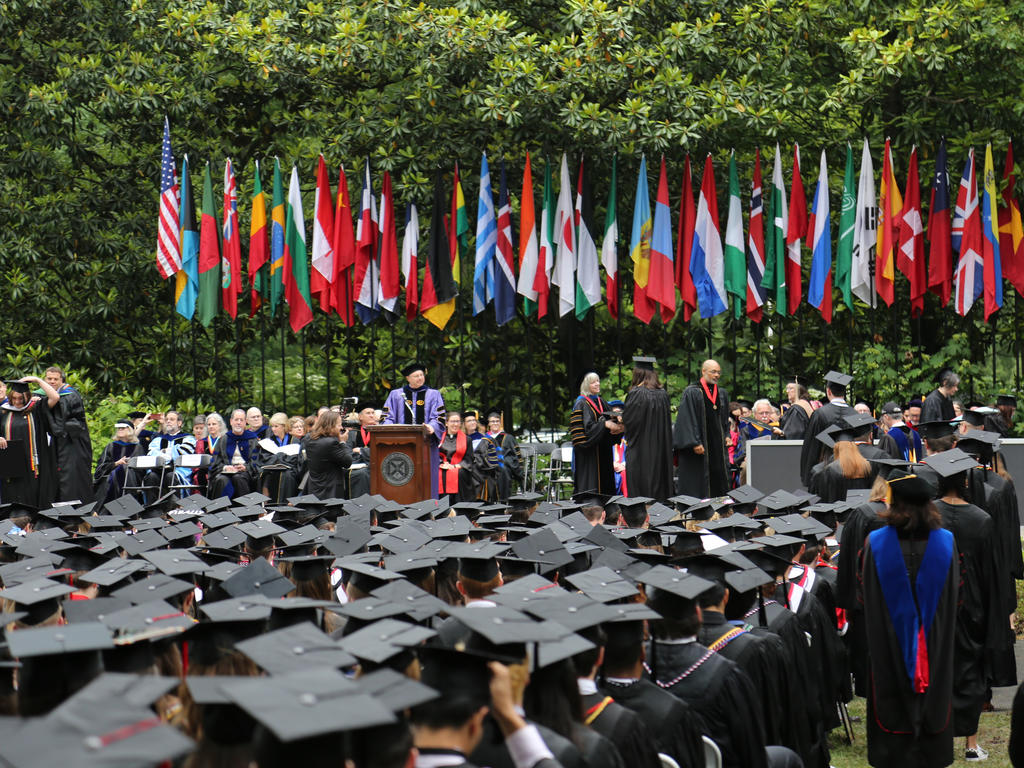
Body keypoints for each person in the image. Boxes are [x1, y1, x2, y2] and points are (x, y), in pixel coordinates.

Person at [859, 469, 958, 768]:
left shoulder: (875, 544)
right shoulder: (947, 543)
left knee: (891, 703)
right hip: (935, 647)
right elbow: (957, 598)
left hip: (887, 648)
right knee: (935, 699)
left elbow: (864, 599)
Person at [923, 448, 1003, 762]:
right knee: (971, 672)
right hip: (973, 602)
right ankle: (971, 744)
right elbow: (990, 570)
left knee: (936, 668)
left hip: (937, 599)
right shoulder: (982, 519)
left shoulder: (929, 516)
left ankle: (934, 738)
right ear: (966, 481)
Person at [383, 362, 446, 498]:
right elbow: (387, 416)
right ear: (408, 378)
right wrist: (390, 427)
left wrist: (432, 427)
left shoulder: (434, 395)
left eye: (421, 375)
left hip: (426, 444)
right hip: (400, 445)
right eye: (416, 375)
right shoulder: (396, 395)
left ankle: (430, 507)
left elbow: (439, 417)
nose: (420, 378)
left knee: (427, 478)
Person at [673, 359, 730, 498]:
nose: (716, 375)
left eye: (718, 372)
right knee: (698, 481)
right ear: (703, 371)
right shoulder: (692, 392)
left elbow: (724, 419)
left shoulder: (721, 393)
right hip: (699, 448)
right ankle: (699, 512)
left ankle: (720, 507)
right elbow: (686, 419)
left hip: (717, 447)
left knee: (718, 476)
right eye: (713, 372)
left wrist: (727, 435)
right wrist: (694, 442)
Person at [0, 377, 60, 508]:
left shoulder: (36, 408)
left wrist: (38, 380)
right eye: (14, 398)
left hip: (34, 464)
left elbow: (55, 397)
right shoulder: (4, 411)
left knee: (33, 497)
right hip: (12, 464)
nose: (17, 402)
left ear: (27, 397)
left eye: (20, 399)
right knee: (13, 498)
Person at [622, 357, 673, 500]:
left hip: (641, 451)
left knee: (641, 491)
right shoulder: (663, 394)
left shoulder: (636, 393)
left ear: (637, 374)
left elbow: (630, 422)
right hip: (660, 451)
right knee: (658, 487)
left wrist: (621, 419)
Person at [568, 372, 623, 497]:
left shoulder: (601, 401)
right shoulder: (581, 403)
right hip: (589, 454)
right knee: (591, 490)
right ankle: (591, 511)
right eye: (593, 382)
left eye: (598, 380)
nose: (597, 384)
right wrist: (604, 425)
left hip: (603, 451)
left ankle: (608, 512)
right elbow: (587, 429)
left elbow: (609, 420)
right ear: (586, 385)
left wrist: (619, 425)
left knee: (606, 489)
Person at [43, 366, 93, 503]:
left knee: (71, 477)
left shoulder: (70, 394)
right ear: (45, 379)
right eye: (49, 379)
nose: (52, 381)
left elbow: (60, 418)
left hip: (72, 441)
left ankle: (74, 516)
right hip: (58, 442)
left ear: (62, 380)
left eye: (55, 379)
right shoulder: (44, 393)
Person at [799, 370, 854, 487]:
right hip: (851, 470)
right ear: (844, 392)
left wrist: (808, 478)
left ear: (828, 391)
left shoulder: (820, 414)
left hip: (825, 472)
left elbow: (812, 447)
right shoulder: (854, 414)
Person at [251, 412, 303, 502]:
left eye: (276, 426)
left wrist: (278, 457)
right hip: (271, 470)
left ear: (283, 426)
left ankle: (285, 505)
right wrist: (280, 457)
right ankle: (266, 506)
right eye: (272, 426)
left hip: (289, 471)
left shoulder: (294, 441)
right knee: (265, 476)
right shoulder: (269, 441)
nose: (273, 429)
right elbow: (264, 459)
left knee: (286, 475)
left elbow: (295, 461)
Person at [207, 409, 257, 499]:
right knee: (221, 479)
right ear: (231, 421)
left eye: (241, 420)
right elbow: (215, 462)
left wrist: (246, 467)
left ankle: (246, 509)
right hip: (227, 471)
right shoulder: (223, 439)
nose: (238, 422)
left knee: (238, 478)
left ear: (245, 422)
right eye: (236, 420)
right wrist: (225, 467)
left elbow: (257, 460)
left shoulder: (252, 439)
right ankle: (220, 509)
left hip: (245, 472)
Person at [304, 410, 353, 499]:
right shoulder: (331, 443)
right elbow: (347, 462)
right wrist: (343, 442)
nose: (341, 428)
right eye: (339, 425)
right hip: (330, 490)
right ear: (331, 426)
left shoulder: (309, 439)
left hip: (314, 487)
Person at [474, 412, 523, 502]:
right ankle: (485, 502)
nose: (495, 423)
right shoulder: (485, 438)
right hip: (487, 467)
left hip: (504, 466)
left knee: (502, 469)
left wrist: (503, 462)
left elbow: (515, 456)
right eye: (492, 421)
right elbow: (479, 454)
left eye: (497, 421)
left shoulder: (508, 438)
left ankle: (503, 501)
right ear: (489, 423)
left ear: (500, 423)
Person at [92, 417, 141, 503]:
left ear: (130, 430)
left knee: (125, 469)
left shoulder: (137, 447)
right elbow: (100, 469)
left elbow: (141, 470)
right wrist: (116, 463)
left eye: (123, 428)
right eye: (118, 428)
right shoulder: (111, 446)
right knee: (120, 469)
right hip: (110, 480)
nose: (120, 430)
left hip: (131, 480)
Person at [439, 411, 479, 501]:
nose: (455, 424)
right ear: (446, 423)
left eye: (458, 421)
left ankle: (459, 506)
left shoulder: (467, 440)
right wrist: (442, 464)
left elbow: (469, 459)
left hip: (459, 467)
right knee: (440, 473)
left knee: (459, 473)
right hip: (442, 466)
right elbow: (434, 455)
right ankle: (441, 506)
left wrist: (454, 466)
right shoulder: (439, 438)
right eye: (453, 421)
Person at [345, 401, 378, 498]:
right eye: (368, 413)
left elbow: (381, 453)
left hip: (376, 465)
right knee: (360, 474)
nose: (372, 415)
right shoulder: (352, 433)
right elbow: (348, 453)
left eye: (373, 413)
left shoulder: (380, 432)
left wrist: (361, 451)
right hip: (358, 467)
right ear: (360, 417)